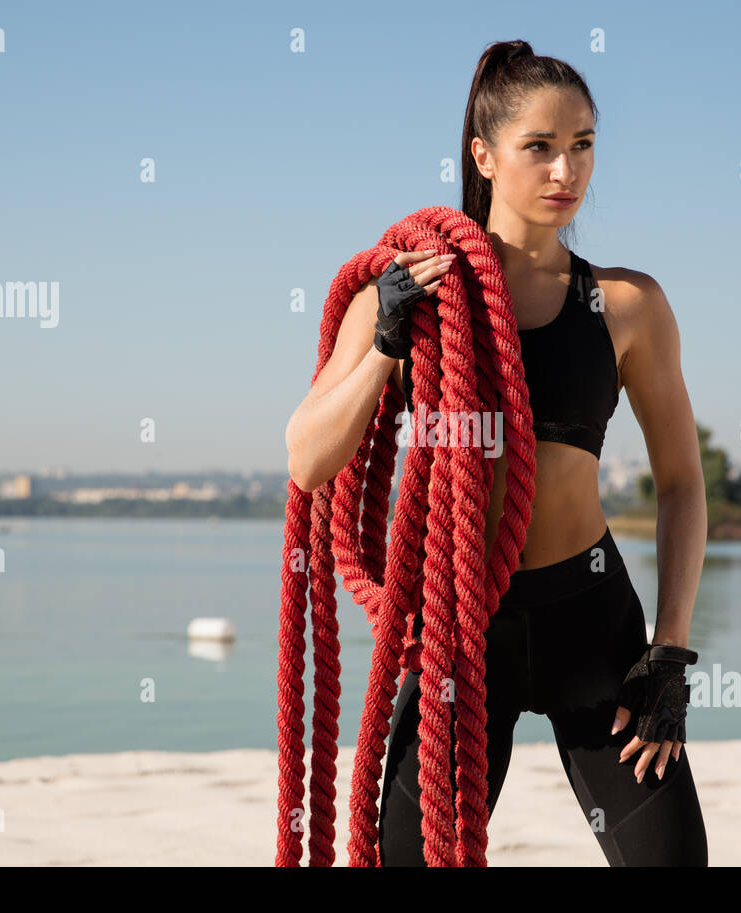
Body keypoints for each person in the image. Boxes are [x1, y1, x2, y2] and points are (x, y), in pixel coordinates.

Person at [284, 39, 708, 866]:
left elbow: (683, 484)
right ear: (483, 156)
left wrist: (671, 649)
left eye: (582, 145)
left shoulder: (626, 305)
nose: (566, 171)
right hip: (457, 636)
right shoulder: (410, 296)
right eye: (540, 148)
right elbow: (307, 458)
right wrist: (385, 346)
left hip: (594, 627)